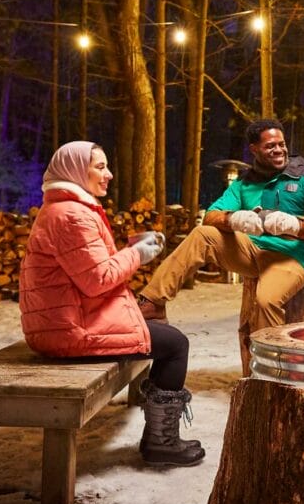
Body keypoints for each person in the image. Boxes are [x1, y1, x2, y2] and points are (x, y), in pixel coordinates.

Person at [19, 141, 204, 467]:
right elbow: (97, 279)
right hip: (70, 328)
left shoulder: (68, 209)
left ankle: (160, 437)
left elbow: (89, 273)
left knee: (159, 332)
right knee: (175, 344)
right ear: (76, 170)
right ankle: (162, 442)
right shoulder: (71, 216)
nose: (109, 174)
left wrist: (133, 251)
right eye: (99, 167)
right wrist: (138, 253)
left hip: (68, 320)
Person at [137, 119, 304, 368]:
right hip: (251, 250)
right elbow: (211, 215)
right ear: (254, 149)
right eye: (270, 146)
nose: (278, 150)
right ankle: (153, 302)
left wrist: (296, 224)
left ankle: (271, 367)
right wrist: (234, 218)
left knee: (266, 300)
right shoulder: (244, 183)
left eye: (281, 144)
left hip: (293, 256)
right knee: (203, 234)